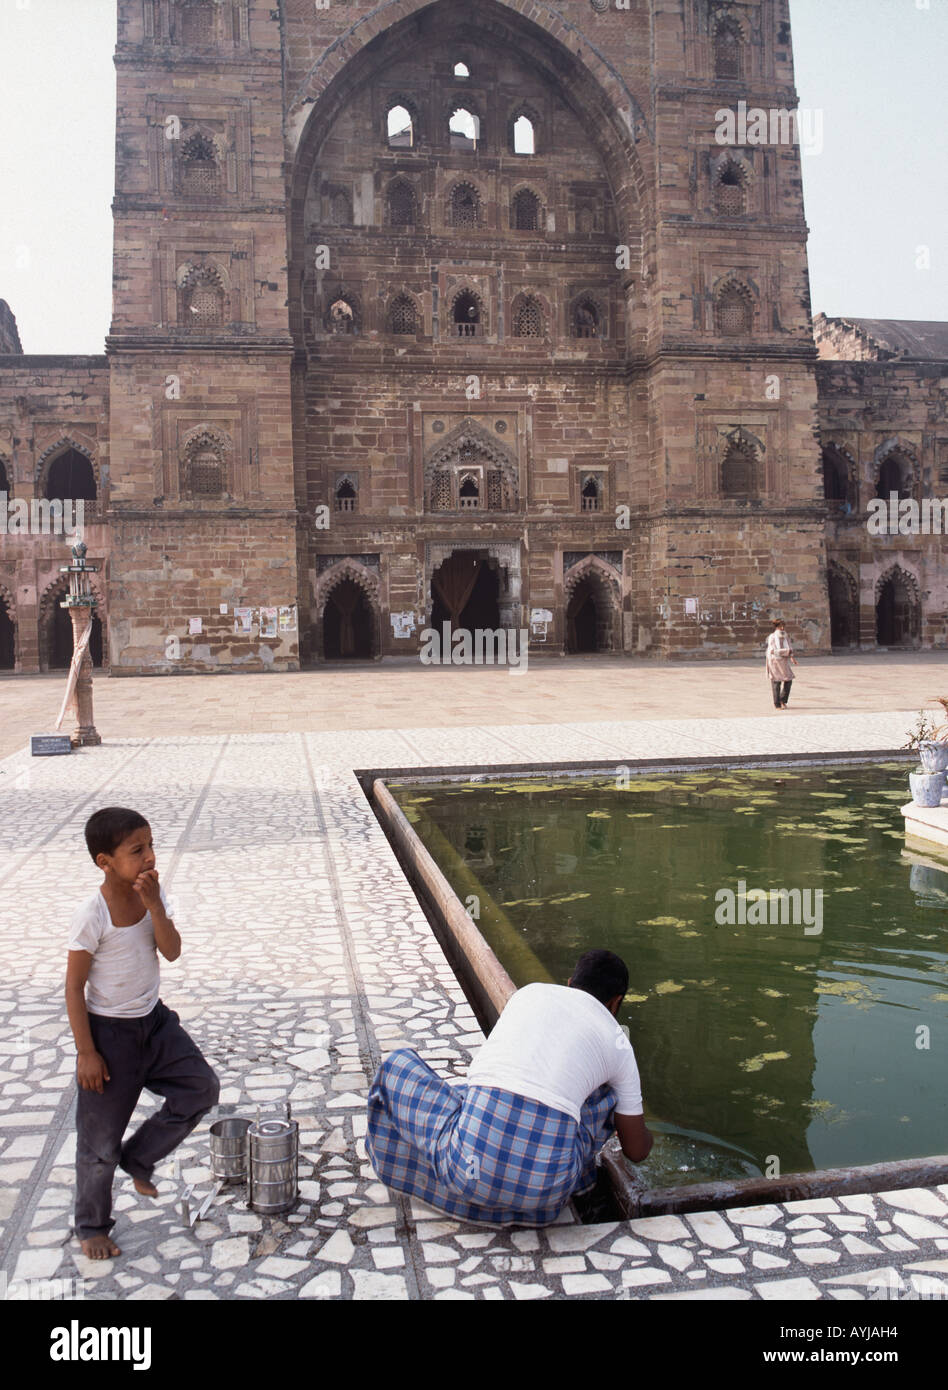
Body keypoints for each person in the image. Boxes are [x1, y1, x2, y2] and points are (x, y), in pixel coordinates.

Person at [366, 949, 652, 1226]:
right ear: (616, 1003)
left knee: (399, 1064)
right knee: (606, 1094)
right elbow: (636, 1151)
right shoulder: (618, 1042)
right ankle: (574, 1193)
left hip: (464, 1171)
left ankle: (470, 1193)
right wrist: (645, 1134)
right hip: (547, 1196)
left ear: (569, 983)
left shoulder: (529, 993)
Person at [65, 807, 220, 1259]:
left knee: (201, 1088)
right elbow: (74, 987)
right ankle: (92, 1225)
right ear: (105, 861)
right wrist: (86, 1052)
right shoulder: (92, 914)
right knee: (98, 1145)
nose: (150, 857)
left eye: (151, 846)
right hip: (109, 1038)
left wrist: (156, 908)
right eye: (137, 850)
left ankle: (140, 1156)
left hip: (154, 1025)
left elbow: (170, 952)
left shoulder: (152, 895)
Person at [765, 618, 796, 710]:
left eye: (783, 626)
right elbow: (772, 650)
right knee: (776, 682)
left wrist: (792, 657)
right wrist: (787, 651)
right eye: (780, 626)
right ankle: (777, 703)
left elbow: (789, 647)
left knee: (788, 680)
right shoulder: (772, 637)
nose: (782, 628)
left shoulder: (785, 636)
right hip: (774, 661)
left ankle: (783, 700)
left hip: (784, 661)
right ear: (776, 627)